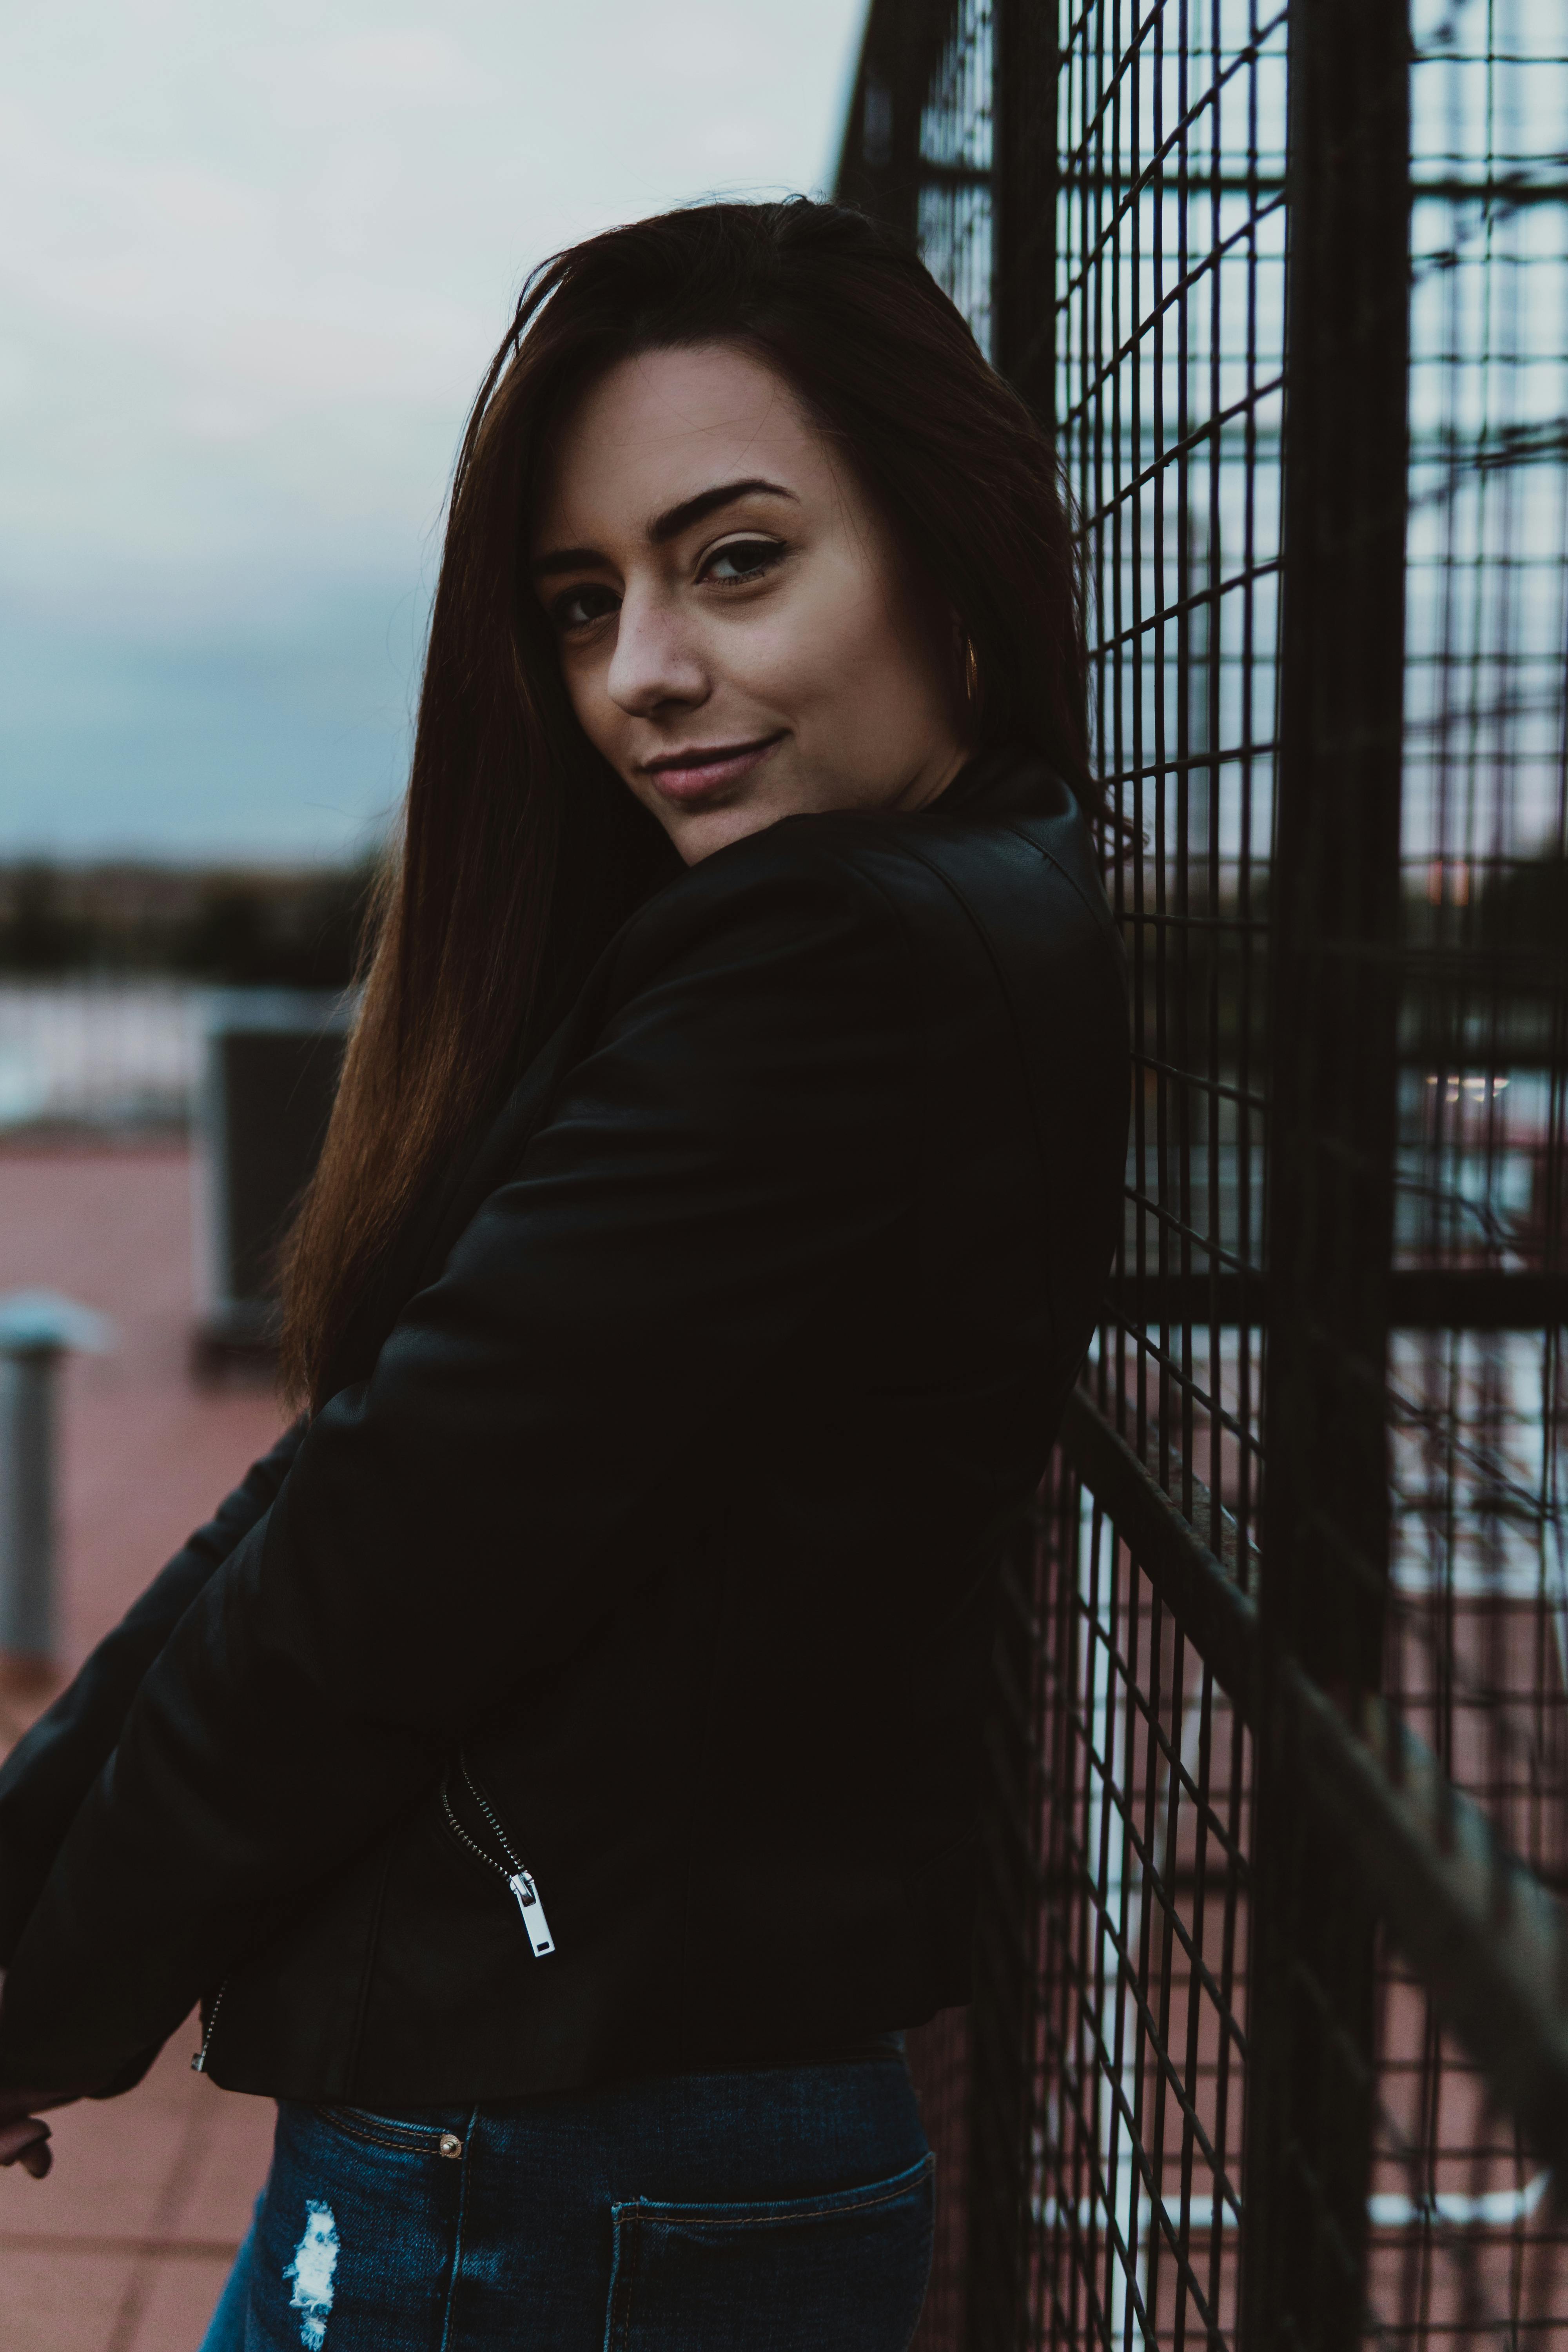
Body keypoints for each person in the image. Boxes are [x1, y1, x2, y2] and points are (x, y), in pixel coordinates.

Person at [0, 199, 1128, 2348]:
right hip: (616, 2140)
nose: (641, 676)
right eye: (584, 602)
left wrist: (50, 2009)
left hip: (559, 2166)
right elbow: (360, 1475)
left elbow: (381, 1567)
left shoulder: (837, 962)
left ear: (952, 558)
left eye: (738, 561)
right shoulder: (930, 914)